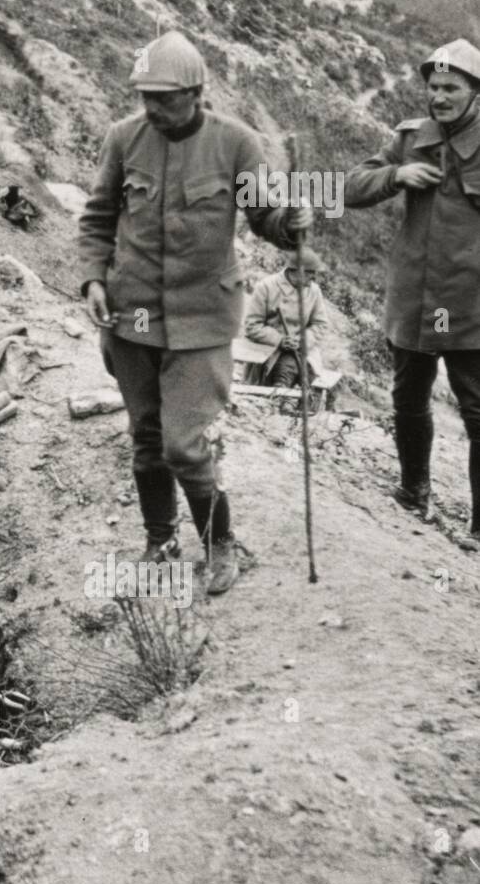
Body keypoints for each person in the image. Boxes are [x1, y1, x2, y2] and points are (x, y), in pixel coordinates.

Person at [77, 31, 312, 593]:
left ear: (195, 92)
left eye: (163, 98)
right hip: (132, 315)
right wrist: (91, 278)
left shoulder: (236, 144)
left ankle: (219, 543)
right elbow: (97, 218)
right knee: (146, 436)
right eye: (144, 97)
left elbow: (264, 218)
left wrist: (289, 224)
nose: (151, 108)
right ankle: (160, 539)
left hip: (203, 318)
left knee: (184, 442)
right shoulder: (123, 139)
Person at [343, 38, 480, 543]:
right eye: (434, 87)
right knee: (408, 398)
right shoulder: (409, 138)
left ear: (475, 92)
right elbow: (352, 187)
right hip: (416, 298)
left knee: (478, 413)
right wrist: (396, 174)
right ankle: (412, 492)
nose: (439, 97)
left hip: (471, 304)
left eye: (452, 88)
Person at [244, 247, 331, 389]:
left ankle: (295, 400)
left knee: (313, 379)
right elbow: (251, 325)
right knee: (284, 371)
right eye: (311, 273)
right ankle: (284, 398)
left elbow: (320, 324)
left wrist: (303, 340)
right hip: (270, 351)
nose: (314, 277)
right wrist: (280, 340)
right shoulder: (266, 287)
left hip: (302, 350)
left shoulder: (314, 291)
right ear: (296, 271)